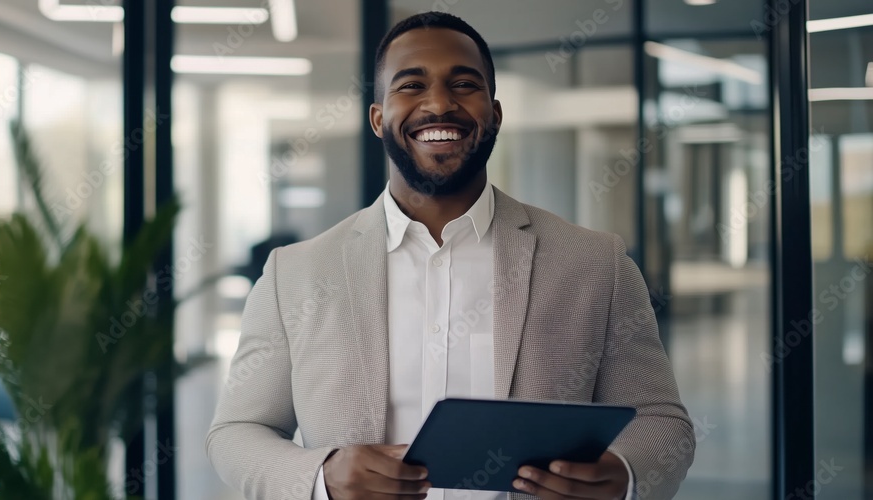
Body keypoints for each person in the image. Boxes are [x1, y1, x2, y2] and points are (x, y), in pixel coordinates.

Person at [207, 11, 693, 500]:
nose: (439, 103)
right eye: (411, 86)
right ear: (378, 119)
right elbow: (238, 431)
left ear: (495, 114)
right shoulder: (295, 273)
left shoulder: (594, 263)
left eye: (464, 84)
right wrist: (321, 477)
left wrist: (627, 477)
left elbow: (660, 420)